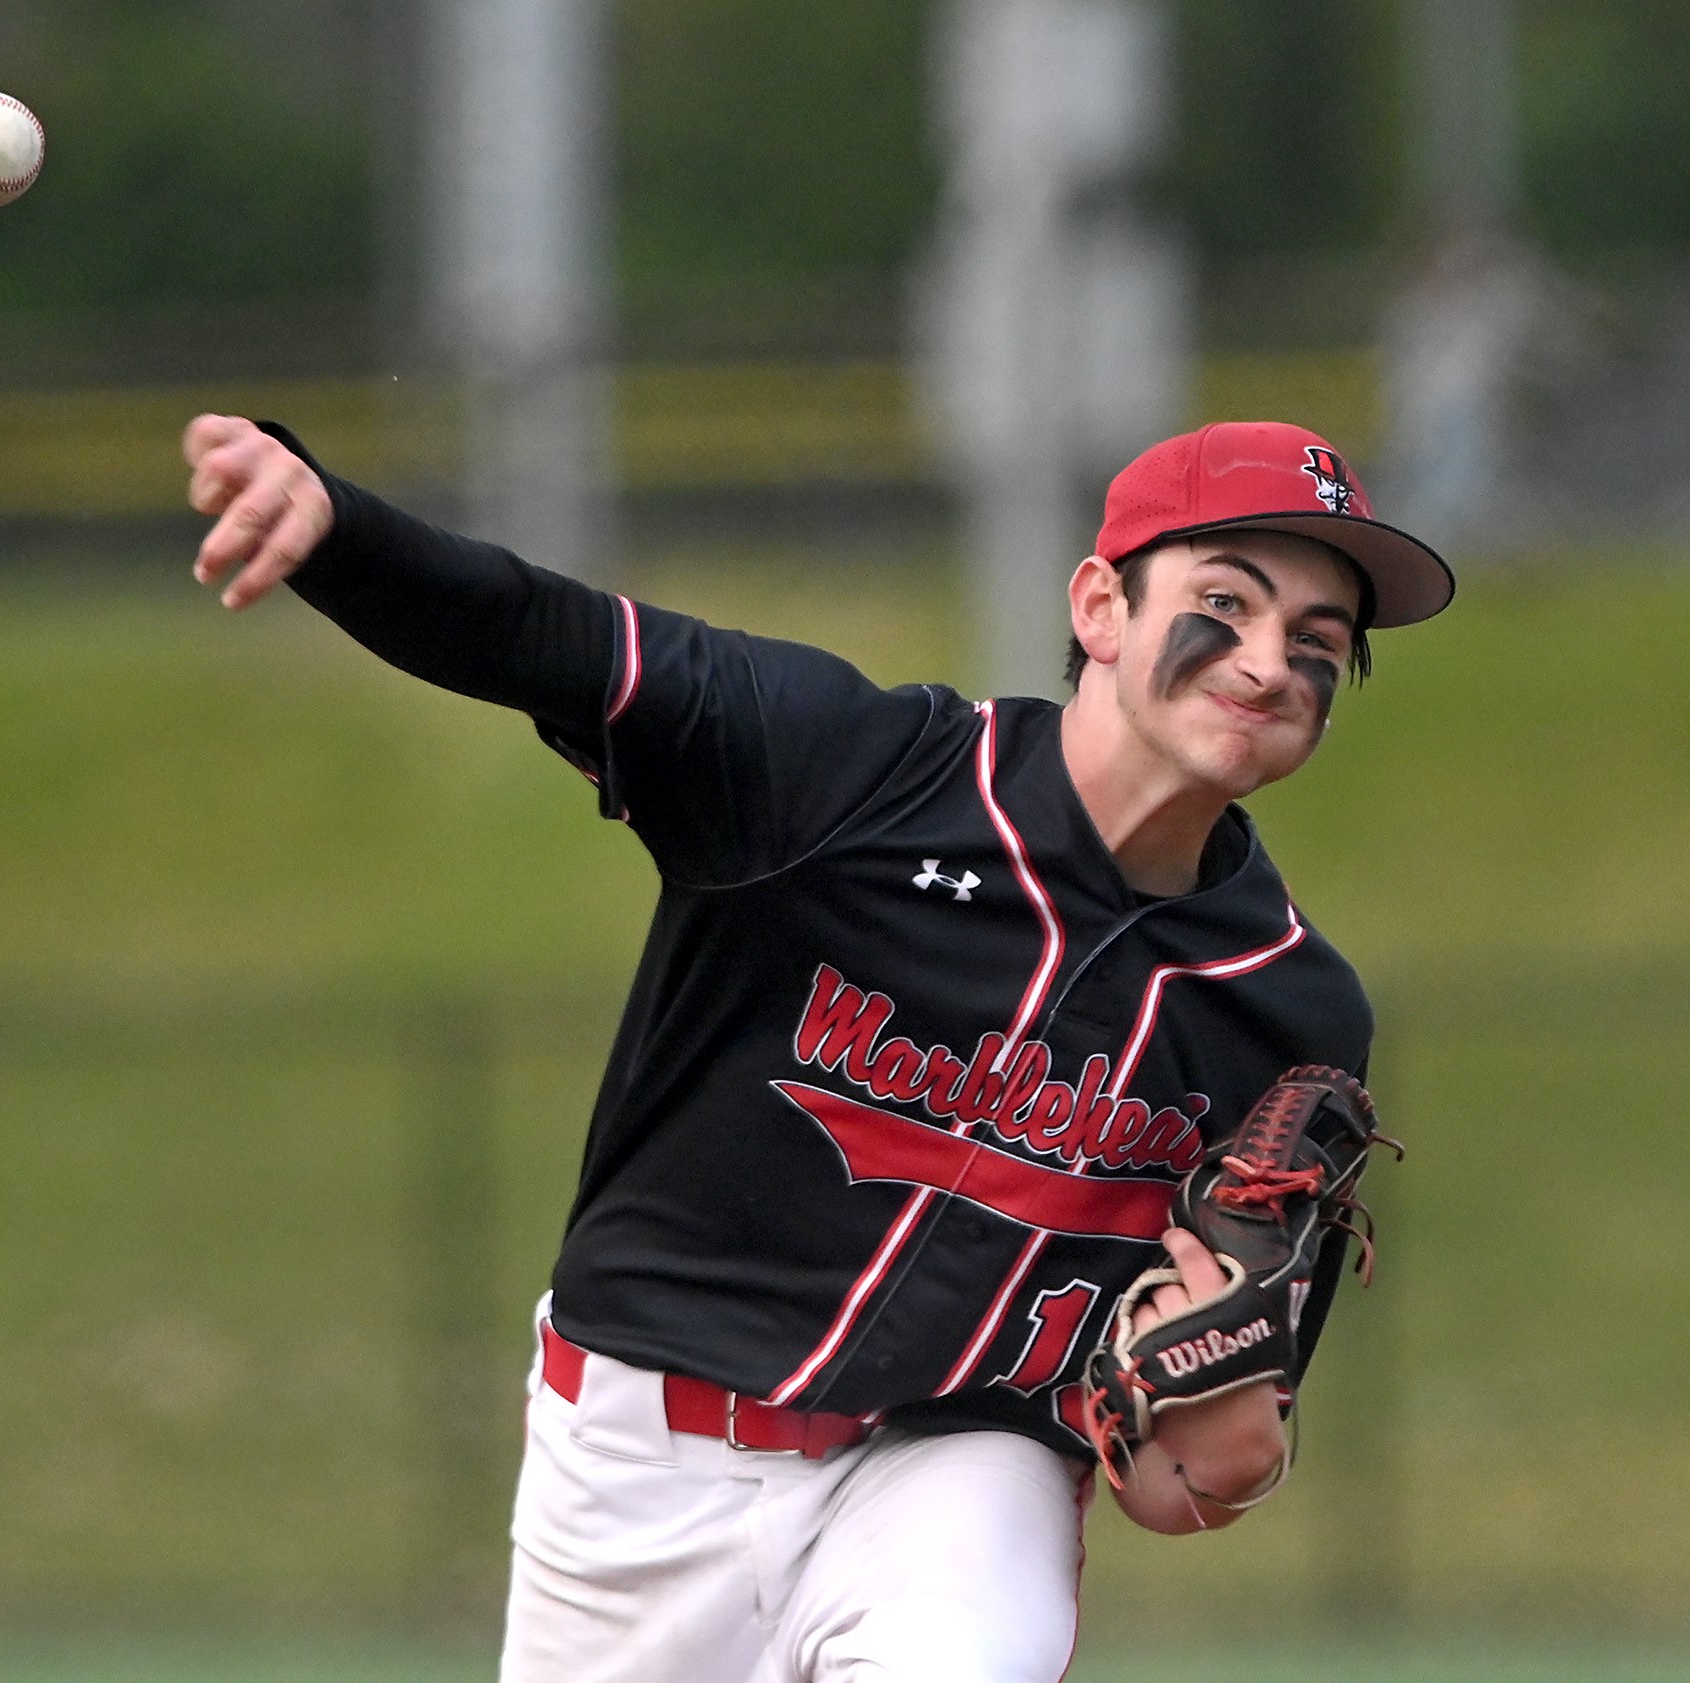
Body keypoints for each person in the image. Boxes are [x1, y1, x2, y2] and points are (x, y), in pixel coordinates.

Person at [181, 415, 1453, 1683]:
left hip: (954, 1478)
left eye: (1316, 641)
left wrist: (1231, 1460)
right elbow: (545, 637)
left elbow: (1178, 1479)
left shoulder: (1287, 1011)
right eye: (1222, 602)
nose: (1266, 662)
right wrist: (333, 528)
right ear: (1099, 608)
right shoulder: (845, 774)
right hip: (637, 1461)